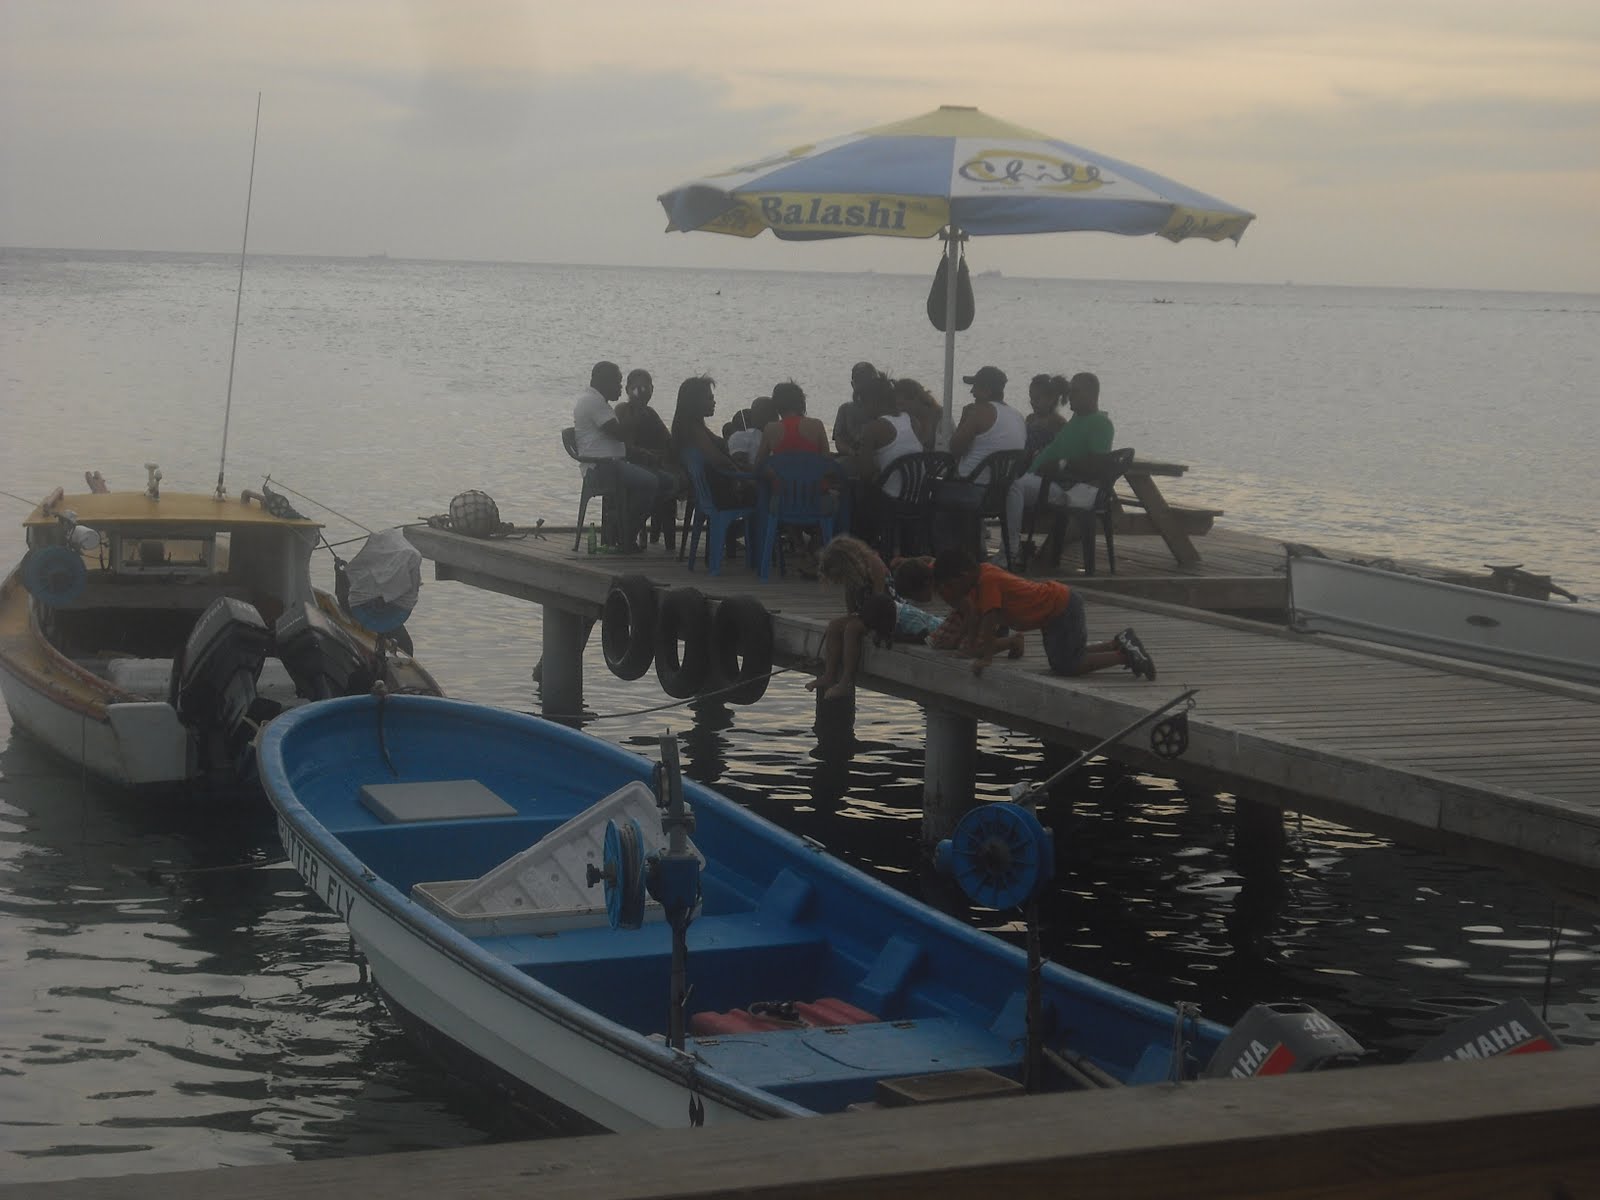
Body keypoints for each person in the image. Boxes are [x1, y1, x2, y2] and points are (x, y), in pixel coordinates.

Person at [932, 546, 1155, 679]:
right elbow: (973, 617)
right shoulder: (976, 583)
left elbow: (989, 620)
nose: (951, 595)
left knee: (1067, 665)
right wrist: (969, 648)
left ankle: (1126, 655)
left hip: (1061, 607)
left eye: (950, 587)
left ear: (963, 576)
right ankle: (1118, 643)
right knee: (1065, 656)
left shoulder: (988, 581)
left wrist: (987, 659)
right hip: (1053, 610)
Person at [806, 535, 940, 701]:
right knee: (834, 626)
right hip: (867, 611)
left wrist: (862, 623)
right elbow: (851, 600)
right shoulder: (854, 574)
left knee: (852, 629)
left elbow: (879, 599)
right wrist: (852, 615)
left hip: (887, 611)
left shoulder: (873, 563)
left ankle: (847, 681)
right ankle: (829, 675)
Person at [1004, 371, 1115, 565]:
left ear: (1090, 394)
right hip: (1043, 479)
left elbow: (1098, 463)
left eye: (1075, 392)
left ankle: (1010, 551)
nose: (1069, 396)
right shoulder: (1076, 420)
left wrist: (1061, 464)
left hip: (1063, 486)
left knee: (1013, 487)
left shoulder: (1100, 423)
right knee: (1003, 484)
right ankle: (1011, 547)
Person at [931, 364, 1027, 553]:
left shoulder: (980, 412)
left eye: (975, 387)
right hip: (1001, 493)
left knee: (930, 496)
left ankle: (946, 556)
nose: (972, 392)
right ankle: (976, 550)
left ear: (987, 390)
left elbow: (955, 448)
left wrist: (965, 419)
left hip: (974, 492)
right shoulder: (1017, 416)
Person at [571, 360, 661, 550]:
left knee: (660, 481)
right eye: (617, 382)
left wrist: (642, 452)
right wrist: (637, 408)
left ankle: (621, 528)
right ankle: (624, 534)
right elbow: (619, 433)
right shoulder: (593, 402)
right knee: (652, 482)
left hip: (611, 465)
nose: (620, 387)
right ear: (604, 381)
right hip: (601, 470)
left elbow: (617, 440)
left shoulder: (598, 401)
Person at [614, 368, 680, 547]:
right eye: (637, 388)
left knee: (674, 482)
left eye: (646, 387)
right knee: (660, 482)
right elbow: (624, 445)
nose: (642, 391)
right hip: (631, 464)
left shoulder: (650, 413)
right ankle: (628, 532)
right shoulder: (623, 409)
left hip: (652, 463)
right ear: (628, 390)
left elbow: (667, 440)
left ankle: (647, 526)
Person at [670, 374, 755, 510]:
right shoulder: (694, 430)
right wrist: (741, 474)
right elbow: (717, 459)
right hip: (719, 495)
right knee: (762, 494)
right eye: (710, 398)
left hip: (711, 492)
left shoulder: (692, 426)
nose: (714, 402)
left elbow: (720, 448)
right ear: (695, 402)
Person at [755, 380, 830, 462]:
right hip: (812, 474)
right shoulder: (817, 425)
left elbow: (759, 463)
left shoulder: (770, 429)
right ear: (801, 402)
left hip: (782, 474)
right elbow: (826, 460)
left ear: (776, 404)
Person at [831, 361, 880, 456]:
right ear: (853, 384)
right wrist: (851, 452)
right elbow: (839, 441)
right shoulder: (845, 409)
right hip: (852, 456)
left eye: (868, 381)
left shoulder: (884, 408)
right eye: (860, 381)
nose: (865, 385)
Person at [1023, 373, 1069, 458]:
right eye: (1031, 398)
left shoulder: (1058, 423)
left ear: (1051, 399)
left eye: (1037, 399)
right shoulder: (1030, 419)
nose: (1032, 402)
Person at [892, 377, 943, 449]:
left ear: (915, 399)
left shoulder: (940, 415)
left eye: (902, 404)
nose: (899, 409)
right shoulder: (907, 420)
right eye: (897, 405)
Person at [727, 395, 777, 465]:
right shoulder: (741, 436)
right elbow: (740, 465)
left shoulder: (781, 434)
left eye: (773, 412)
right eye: (763, 411)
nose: (772, 415)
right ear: (753, 415)